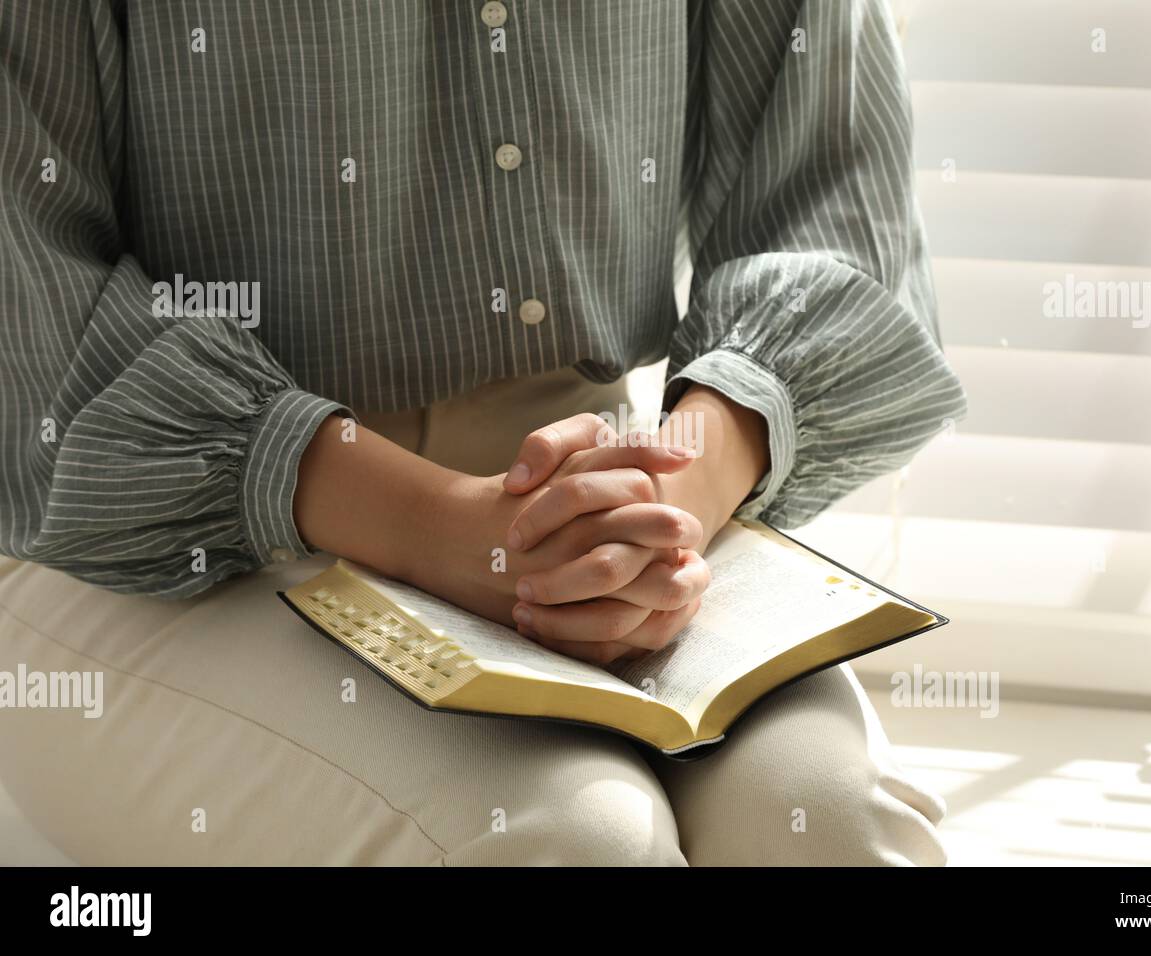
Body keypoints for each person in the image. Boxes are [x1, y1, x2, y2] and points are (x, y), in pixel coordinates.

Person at [0, 0, 965, 865]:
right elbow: (30, 315)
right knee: (572, 846)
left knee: (829, 825)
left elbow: (832, 192)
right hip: (146, 534)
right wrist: (450, 530)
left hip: (599, 487)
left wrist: (663, 499)